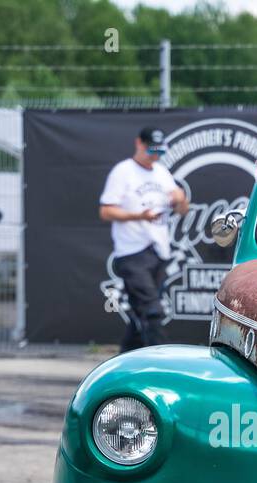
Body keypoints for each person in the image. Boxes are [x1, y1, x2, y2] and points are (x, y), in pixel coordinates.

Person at [99, 127, 190, 352]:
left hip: (159, 251)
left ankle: (125, 360)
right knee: (152, 311)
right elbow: (106, 211)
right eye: (151, 150)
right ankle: (160, 362)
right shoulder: (123, 171)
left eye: (159, 151)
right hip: (132, 252)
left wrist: (180, 199)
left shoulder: (162, 172)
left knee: (141, 316)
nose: (155, 156)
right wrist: (139, 216)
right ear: (139, 144)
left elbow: (182, 210)